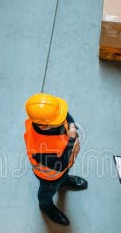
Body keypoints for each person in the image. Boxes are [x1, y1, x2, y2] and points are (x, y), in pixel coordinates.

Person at [23, 93, 88, 226]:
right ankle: (45, 205)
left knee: (64, 174)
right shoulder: (39, 147)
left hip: (63, 168)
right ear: (44, 126)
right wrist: (72, 140)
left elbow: (67, 116)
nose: (63, 117)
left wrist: (71, 127)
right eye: (59, 118)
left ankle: (64, 180)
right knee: (48, 191)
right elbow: (60, 164)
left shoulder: (44, 119)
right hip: (50, 177)